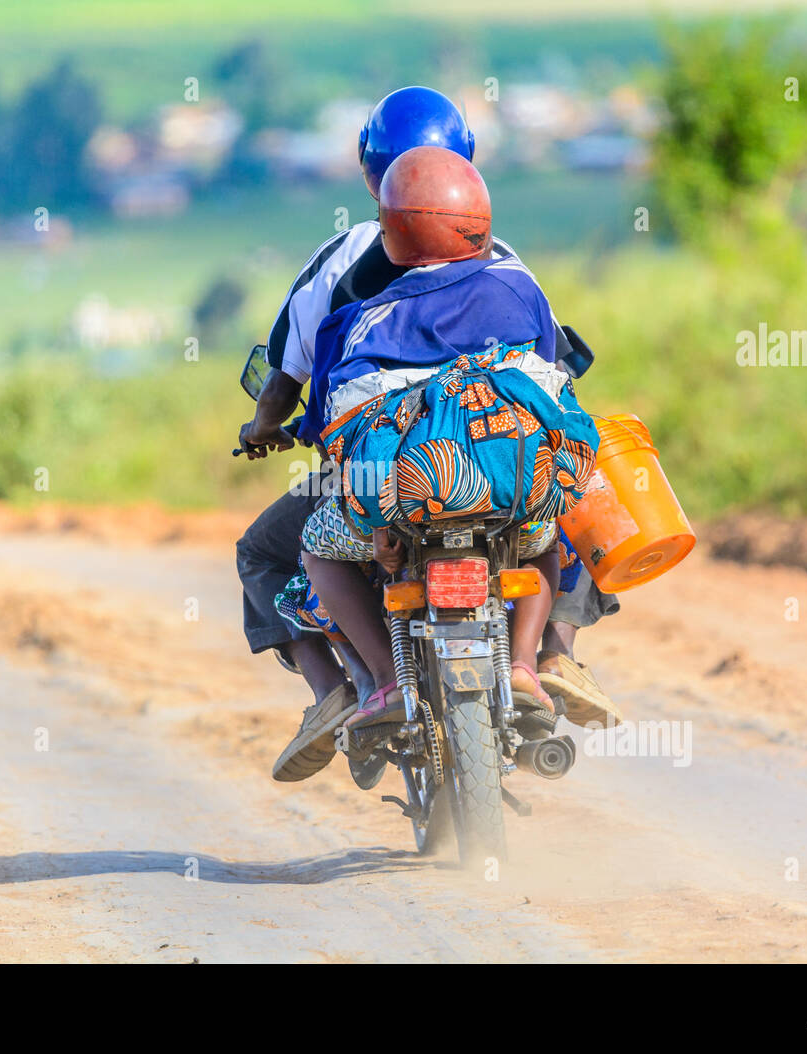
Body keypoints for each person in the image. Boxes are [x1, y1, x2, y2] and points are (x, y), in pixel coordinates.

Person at [234, 87, 617, 784]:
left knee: (279, 549)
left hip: (397, 487)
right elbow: (556, 377)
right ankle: (544, 657)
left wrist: (266, 430)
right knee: (570, 505)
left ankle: (351, 689)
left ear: (383, 205)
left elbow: (315, 395)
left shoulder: (358, 306)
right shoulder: (514, 275)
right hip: (502, 481)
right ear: (472, 186)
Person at [294, 146, 600, 727]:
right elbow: (552, 388)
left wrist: (380, 521)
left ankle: (384, 681)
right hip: (508, 494)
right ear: (481, 220)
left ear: (392, 232)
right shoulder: (518, 289)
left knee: (315, 547)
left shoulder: (357, 321)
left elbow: (342, 439)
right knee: (544, 535)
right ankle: (529, 663)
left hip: (408, 502)